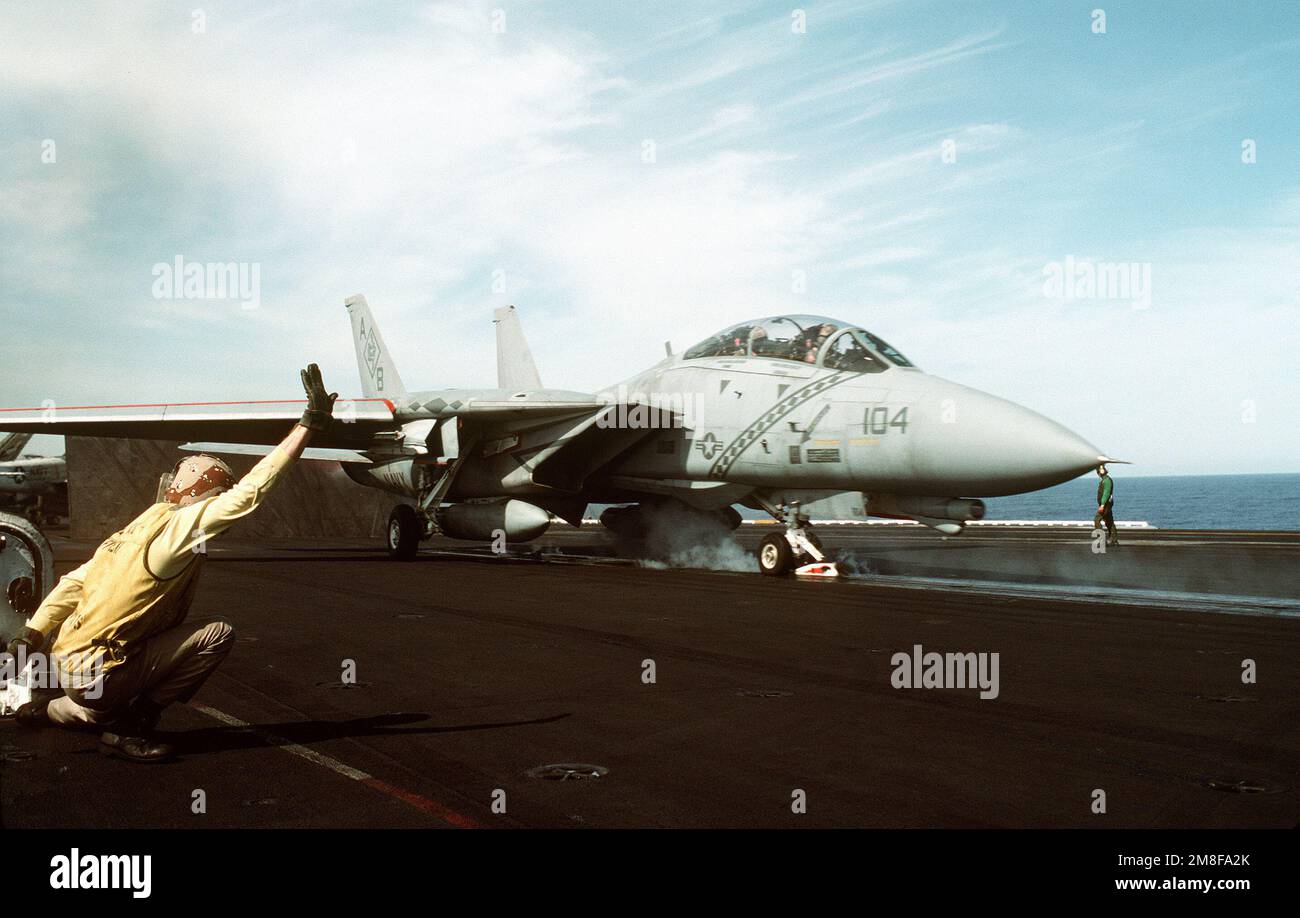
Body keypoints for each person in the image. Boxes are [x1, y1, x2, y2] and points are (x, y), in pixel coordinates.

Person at [4, 364, 338, 762]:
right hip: (103, 671)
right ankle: (132, 728)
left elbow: (72, 583)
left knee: (94, 710)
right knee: (217, 634)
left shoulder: (130, 532)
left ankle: (39, 710)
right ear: (206, 493)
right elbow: (251, 493)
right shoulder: (180, 529)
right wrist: (307, 427)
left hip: (71, 666)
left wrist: (32, 634)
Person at [1093, 464, 1118, 546]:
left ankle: (1102, 540)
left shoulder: (1106, 480)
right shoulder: (1104, 480)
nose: (1101, 470)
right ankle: (1114, 540)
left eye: (1102, 468)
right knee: (1109, 521)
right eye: (1100, 469)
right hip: (1107, 504)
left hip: (1106, 504)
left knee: (1097, 519)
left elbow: (1106, 493)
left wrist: (1102, 505)